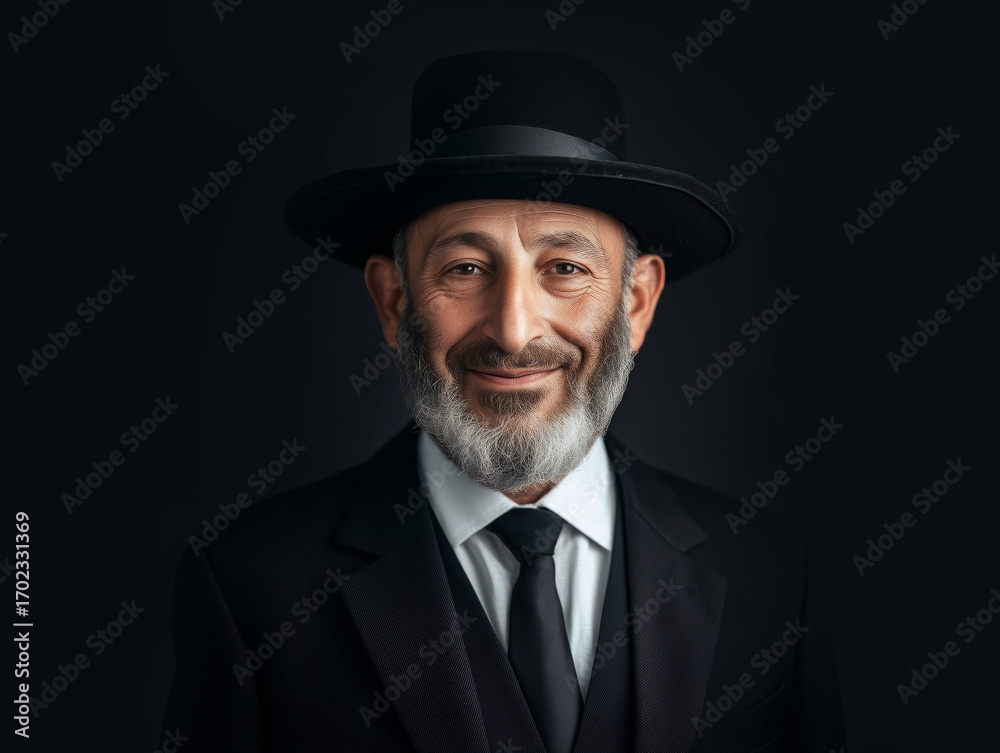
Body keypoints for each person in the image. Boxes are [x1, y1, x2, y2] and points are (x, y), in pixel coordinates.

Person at [163, 49, 846, 752]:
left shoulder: (769, 570)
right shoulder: (251, 586)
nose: (514, 331)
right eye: (465, 268)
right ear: (394, 301)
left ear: (636, 302)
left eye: (565, 268)